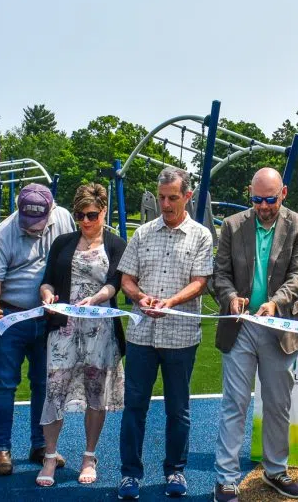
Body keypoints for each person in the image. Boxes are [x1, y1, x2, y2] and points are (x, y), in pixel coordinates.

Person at [210, 167, 298, 502]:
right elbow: (219, 273)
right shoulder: (232, 225)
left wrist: (274, 303)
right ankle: (226, 478)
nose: (264, 206)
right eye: (257, 199)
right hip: (239, 327)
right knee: (234, 403)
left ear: (283, 193)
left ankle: (275, 470)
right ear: (249, 195)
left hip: (278, 326)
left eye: (270, 199)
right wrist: (229, 297)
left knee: (278, 403)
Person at [116, 166, 214, 500]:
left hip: (180, 337)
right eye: (162, 197)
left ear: (187, 196)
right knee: (134, 408)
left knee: (178, 409)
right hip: (142, 337)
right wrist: (139, 297)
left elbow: (201, 282)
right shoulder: (143, 233)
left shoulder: (201, 236)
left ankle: (175, 470)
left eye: (173, 197)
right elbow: (126, 278)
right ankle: (130, 475)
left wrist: (170, 302)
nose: (166, 204)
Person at [35, 183, 128, 487]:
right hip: (63, 329)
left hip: (99, 331)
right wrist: (47, 296)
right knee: (54, 391)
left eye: (92, 215)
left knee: (95, 393)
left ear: (104, 212)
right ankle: (50, 456)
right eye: (80, 215)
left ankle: (89, 455)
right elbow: (47, 281)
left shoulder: (116, 244)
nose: (86, 221)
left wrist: (97, 298)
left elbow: (115, 283)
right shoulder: (63, 242)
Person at [0, 183, 75, 476]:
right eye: (28, 222)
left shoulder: (63, 218)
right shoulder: (4, 233)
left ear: (51, 212)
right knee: (4, 384)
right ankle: (0, 450)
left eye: (39, 223)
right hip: (10, 316)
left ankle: (41, 446)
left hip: (48, 317)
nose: (33, 228)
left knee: (45, 384)